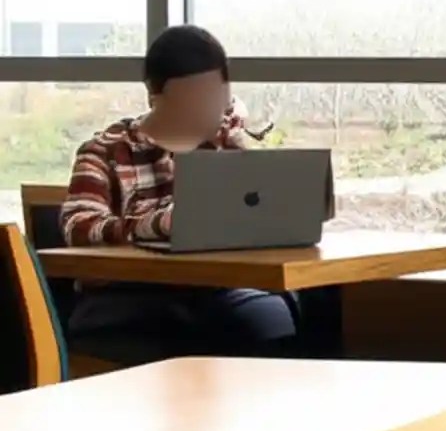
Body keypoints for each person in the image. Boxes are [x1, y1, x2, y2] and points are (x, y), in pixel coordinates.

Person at [59, 25, 298, 363]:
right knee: (250, 322)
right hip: (126, 299)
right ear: (153, 95)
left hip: (214, 289)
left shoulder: (221, 143)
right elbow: (79, 227)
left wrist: (240, 148)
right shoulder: (105, 151)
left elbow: (266, 214)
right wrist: (158, 224)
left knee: (292, 309)